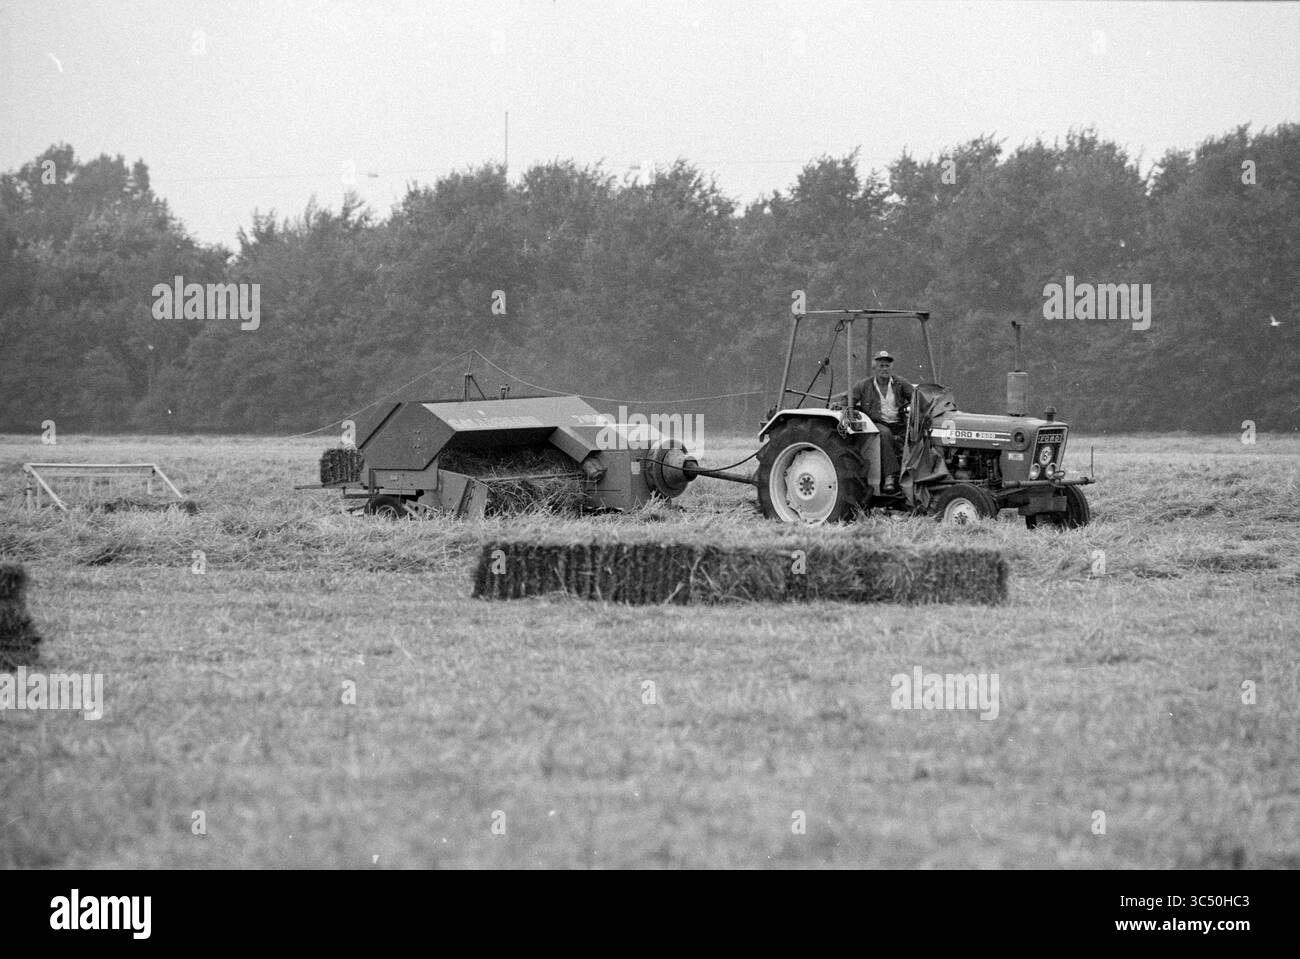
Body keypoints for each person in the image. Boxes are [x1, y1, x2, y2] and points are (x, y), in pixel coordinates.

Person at [851, 350, 914, 493]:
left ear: (891, 368)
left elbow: (916, 398)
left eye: (887, 366)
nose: (884, 369)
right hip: (877, 424)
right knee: (884, 434)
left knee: (916, 432)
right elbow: (848, 399)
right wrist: (841, 405)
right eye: (881, 366)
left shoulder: (900, 383)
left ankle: (914, 476)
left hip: (898, 423)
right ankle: (890, 477)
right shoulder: (864, 385)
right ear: (875, 368)